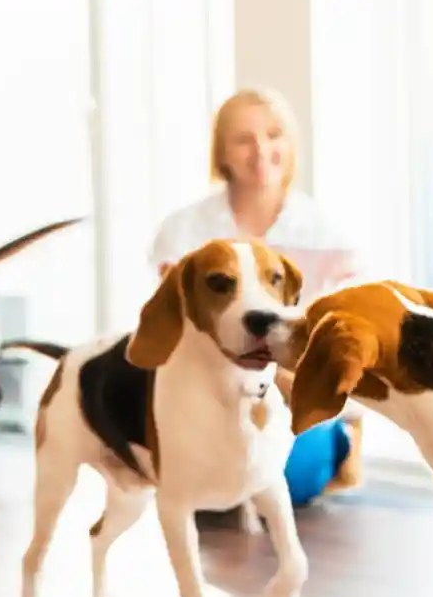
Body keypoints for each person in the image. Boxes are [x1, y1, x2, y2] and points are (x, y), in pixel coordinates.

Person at [148, 86, 368, 495]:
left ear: (291, 144)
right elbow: (176, 330)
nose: (261, 150)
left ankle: (339, 439)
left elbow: (337, 343)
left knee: (290, 481)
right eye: (243, 139)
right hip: (205, 392)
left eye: (273, 135)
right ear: (222, 152)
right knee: (209, 484)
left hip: (292, 395)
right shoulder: (183, 233)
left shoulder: (326, 237)